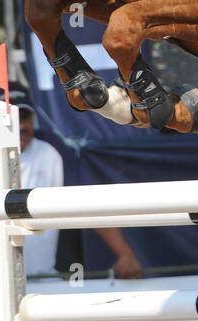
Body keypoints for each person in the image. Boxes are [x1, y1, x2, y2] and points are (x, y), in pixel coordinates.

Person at [16, 104, 143, 280]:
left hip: (41, 279)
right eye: (14, 118)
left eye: (25, 118)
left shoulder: (51, 151)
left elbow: (87, 202)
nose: (22, 126)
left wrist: (125, 254)